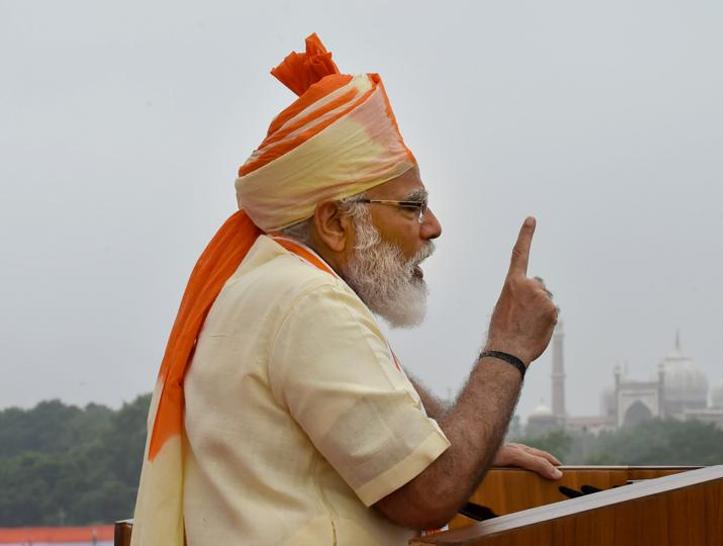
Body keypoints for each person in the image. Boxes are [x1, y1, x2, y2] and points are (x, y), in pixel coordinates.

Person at [130, 34, 560, 546]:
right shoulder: (308, 304)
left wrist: (461, 437)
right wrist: (507, 347)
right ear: (335, 222)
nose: (434, 227)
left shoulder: (260, 284)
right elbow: (427, 493)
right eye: (411, 207)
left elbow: (368, 402)